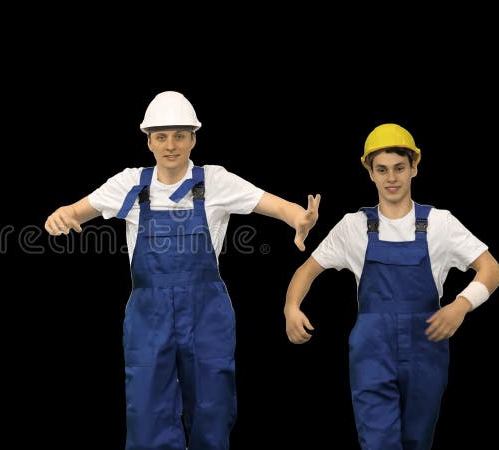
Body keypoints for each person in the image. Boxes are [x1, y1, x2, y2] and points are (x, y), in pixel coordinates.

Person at [44, 91, 320, 450]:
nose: (170, 145)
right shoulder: (128, 183)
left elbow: (279, 207)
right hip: (148, 315)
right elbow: (72, 212)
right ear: (148, 141)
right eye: (161, 137)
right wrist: (58, 218)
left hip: (206, 313)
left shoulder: (215, 181)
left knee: (212, 410)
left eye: (179, 136)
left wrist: (301, 218)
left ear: (193, 138)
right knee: (147, 412)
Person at [283, 123, 499, 450]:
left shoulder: (440, 223)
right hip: (372, 353)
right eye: (381, 170)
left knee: (417, 441)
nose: (391, 178)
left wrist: (461, 305)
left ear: (414, 167)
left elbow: (492, 269)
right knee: (378, 442)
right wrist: (291, 307)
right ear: (370, 173)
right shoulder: (353, 226)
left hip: (427, 348)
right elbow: (307, 270)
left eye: (399, 168)